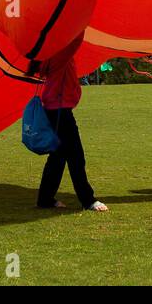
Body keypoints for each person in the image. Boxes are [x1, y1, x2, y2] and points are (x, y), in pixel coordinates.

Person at [36, 43, 107, 212]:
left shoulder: (52, 54)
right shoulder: (60, 53)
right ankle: (87, 200)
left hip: (56, 109)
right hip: (60, 111)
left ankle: (45, 199)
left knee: (58, 157)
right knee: (76, 156)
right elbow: (75, 39)